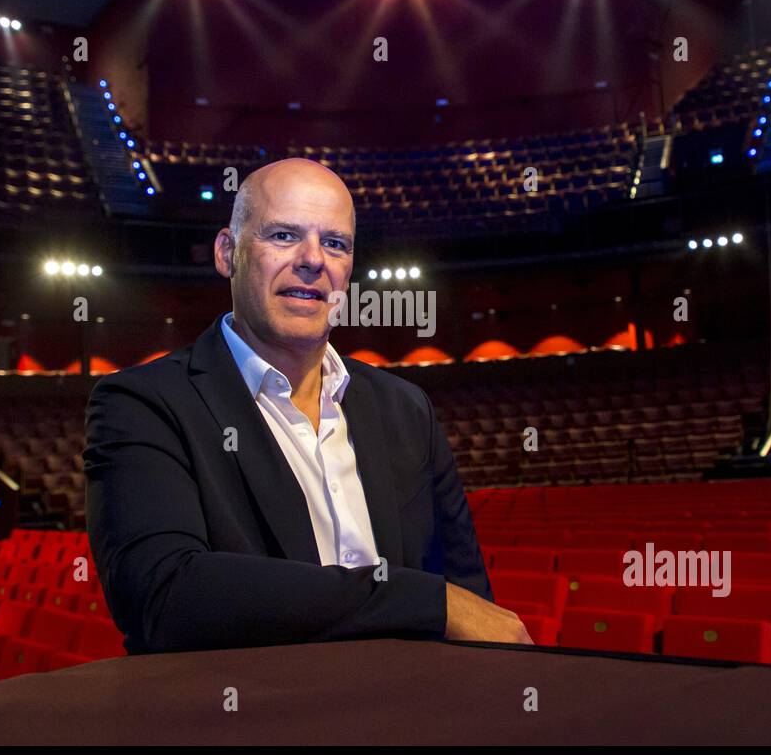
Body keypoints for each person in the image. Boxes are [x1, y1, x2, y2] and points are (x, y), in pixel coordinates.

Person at [84, 157, 531, 652]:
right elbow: (164, 595)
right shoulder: (143, 402)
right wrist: (418, 601)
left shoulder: (407, 409)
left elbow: (470, 606)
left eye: (335, 243)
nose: (313, 259)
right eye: (283, 236)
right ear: (227, 253)